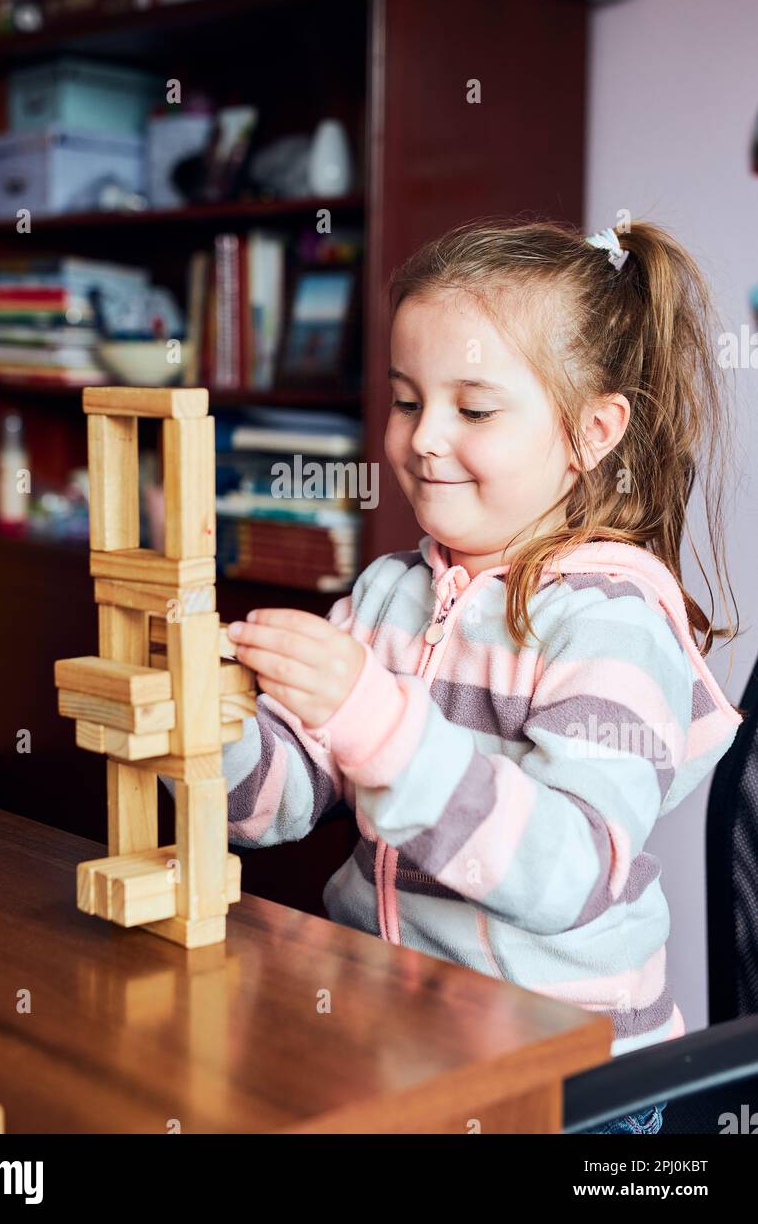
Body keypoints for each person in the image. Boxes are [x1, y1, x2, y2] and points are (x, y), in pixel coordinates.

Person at [177, 219, 747, 1134]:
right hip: (389, 1020)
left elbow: (568, 873)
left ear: (593, 432)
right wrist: (202, 725)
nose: (424, 439)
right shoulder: (391, 591)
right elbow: (270, 806)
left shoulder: (612, 624)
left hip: (570, 1081)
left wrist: (382, 725)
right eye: (407, 401)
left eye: (473, 409)